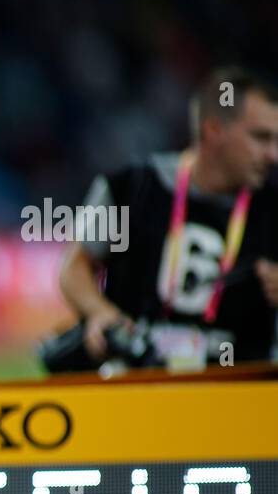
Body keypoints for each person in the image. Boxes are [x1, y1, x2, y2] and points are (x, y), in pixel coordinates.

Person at [59, 66, 278, 367]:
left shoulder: (272, 207)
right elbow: (75, 268)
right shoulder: (132, 188)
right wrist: (99, 312)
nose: (273, 155)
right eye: (261, 138)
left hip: (236, 395)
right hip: (137, 388)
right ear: (214, 130)